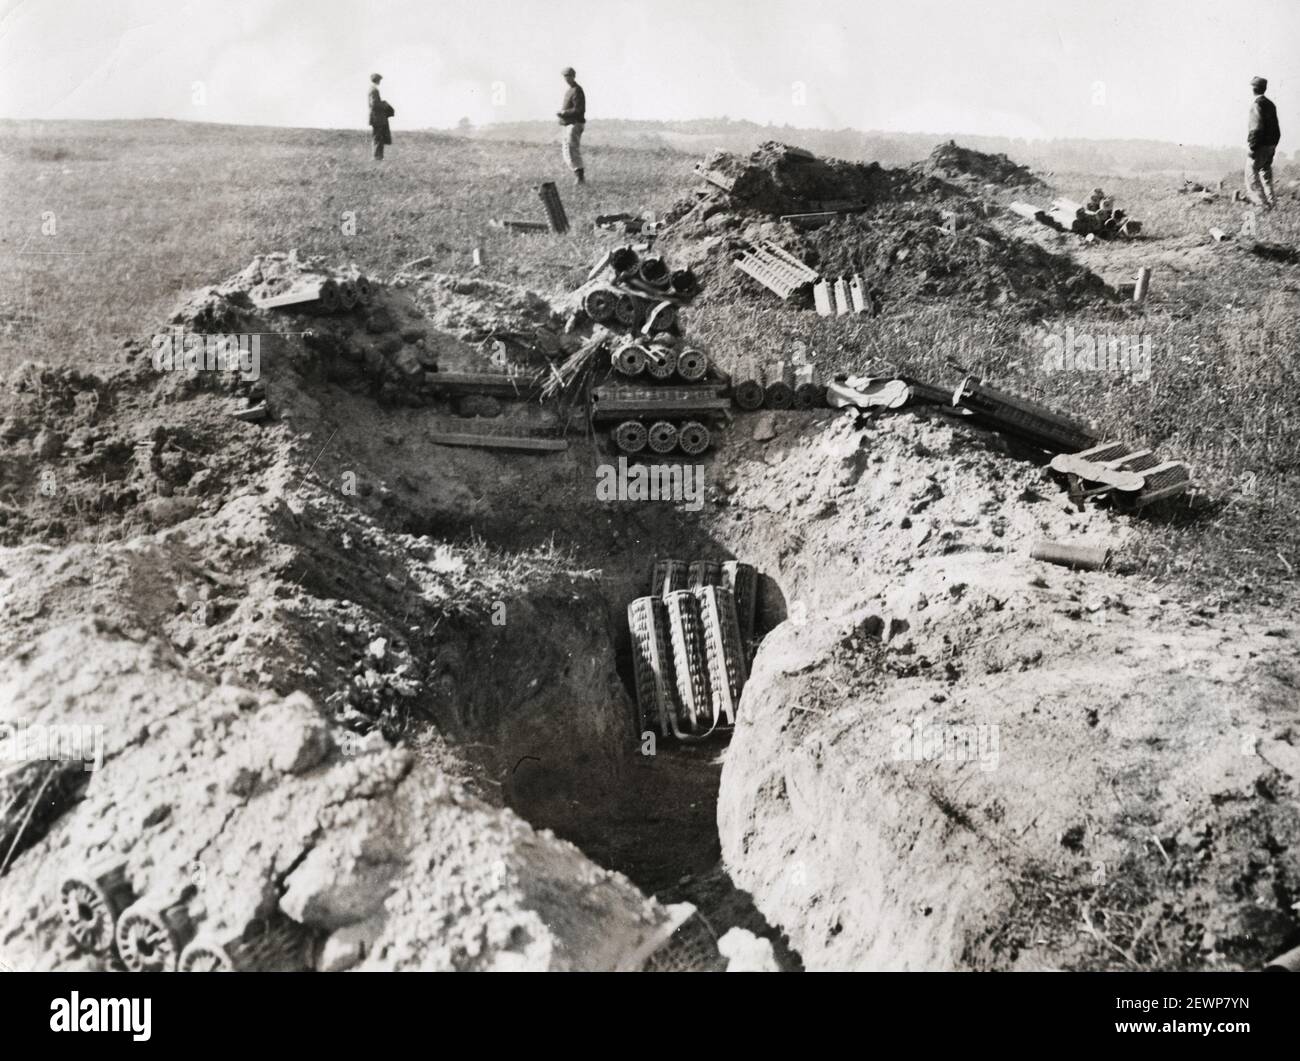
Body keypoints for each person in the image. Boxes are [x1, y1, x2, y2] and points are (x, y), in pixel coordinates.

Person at [1246, 75, 1280, 210]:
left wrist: (1252, 147)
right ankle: (1272, 203)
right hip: (1271, 145)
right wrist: (1273, 145)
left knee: (1251, 175)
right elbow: (1276, 128)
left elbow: (1256, 127)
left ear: (1253, 88)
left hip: (1259, 146)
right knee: (1266, 175)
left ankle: (1262, 206)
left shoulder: (1256, 104)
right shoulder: (1270, 104)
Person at [557, 66, 586, 184]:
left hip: (574, 123)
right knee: (568, 150)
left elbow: (579, 109)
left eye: (568, 76)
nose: (566, 79)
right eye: (565, 76)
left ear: (573, 77)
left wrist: (564, 113)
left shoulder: (577, 90)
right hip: (568, 124)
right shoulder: (571, 90)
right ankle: (579, 176)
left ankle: (579, 177)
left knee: (571, 150)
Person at [368, 73, 394, 161]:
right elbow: (374, 104)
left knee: (379, 137)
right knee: (378, 138)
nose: (380, 82)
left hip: (377, 118)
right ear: (377, 80)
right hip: (377, 118)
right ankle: (377, 157)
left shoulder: (373, 89)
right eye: (379, 80)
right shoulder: (373, 90)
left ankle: (379, 157)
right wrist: (384, 104)